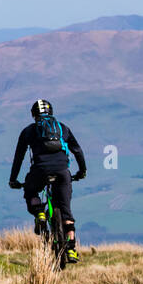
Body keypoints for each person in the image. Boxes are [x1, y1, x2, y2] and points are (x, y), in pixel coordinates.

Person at [8, 98, 86, 262]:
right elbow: (78, 151)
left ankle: (40, 213)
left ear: (33, 114)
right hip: (63, 172)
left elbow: (19, 157)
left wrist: (13, 179)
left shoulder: (29, 131)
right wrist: (82, 171)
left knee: (30, 190)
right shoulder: (62, 128)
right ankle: (71, 249)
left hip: (40, 171)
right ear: (51, 112)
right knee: (66, 211)